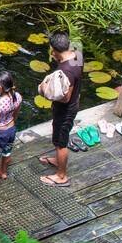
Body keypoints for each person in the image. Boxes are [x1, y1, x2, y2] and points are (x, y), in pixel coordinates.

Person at [40, 32, 83, 187]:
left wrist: (45, 90)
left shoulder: (67, 71)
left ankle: (61, 176)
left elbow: (65, 97)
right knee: (58, 137)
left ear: (55, 49)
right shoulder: (77, 55)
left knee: (61, 142)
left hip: (65, 110)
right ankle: (58, 161)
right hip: (74, 103)